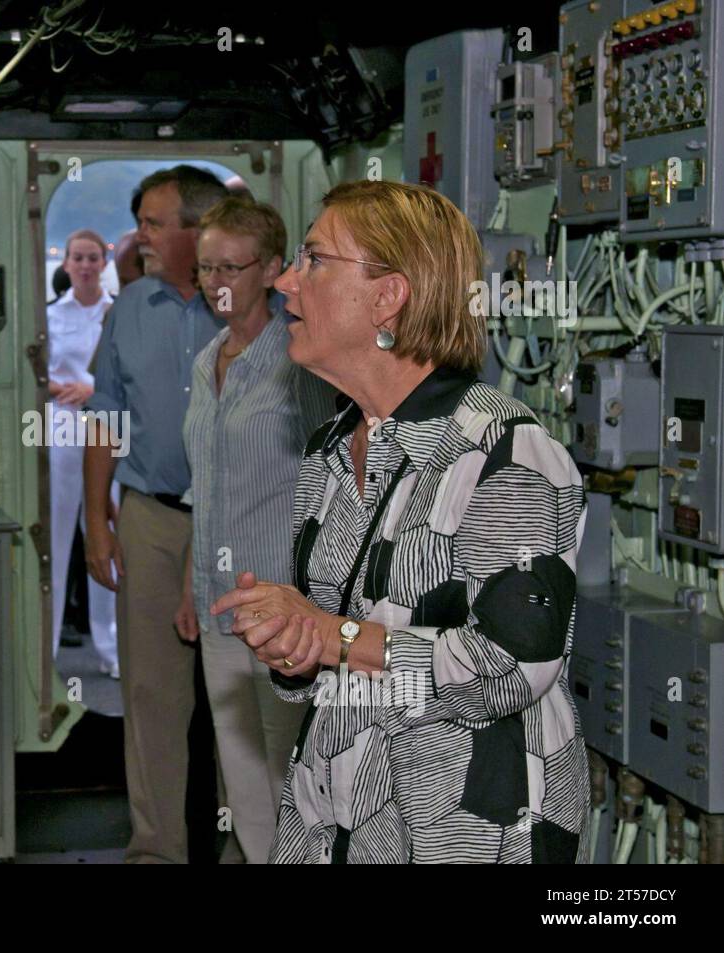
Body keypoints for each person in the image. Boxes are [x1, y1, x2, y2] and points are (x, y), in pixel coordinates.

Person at [212, 180, 590, 863]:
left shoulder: (505, 449)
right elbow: (332, 649)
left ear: (388, 295)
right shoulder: (330, 448)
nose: (289, 284)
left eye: (315, 260)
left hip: (470, 824)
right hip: (340, 812)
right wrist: (296, 646)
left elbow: (510, 666)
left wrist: (335, 634)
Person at [177, 197, 338, 863]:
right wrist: (192, 582)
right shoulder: (207, 359)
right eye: (205, 268)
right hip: (220, 607)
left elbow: (335, 479)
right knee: (243, 786)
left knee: (292, 778)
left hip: (284, 607)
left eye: (231, 268)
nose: (216, 282)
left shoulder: (299, 364)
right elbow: (206, 485)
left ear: (273, 269)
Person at [84, 164, 228, 863]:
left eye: (151, 222)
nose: (139, 235)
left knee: (242, 692)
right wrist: (96, 520)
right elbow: (105, 415)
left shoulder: (253, 305)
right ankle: (156, 851)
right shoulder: (129, 308)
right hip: (151, 516)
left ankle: (253, 846)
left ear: (195, 228)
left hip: (237, 523)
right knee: (151, 696)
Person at [47, 229, 118, 676]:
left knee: (106, 538)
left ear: (104, 261)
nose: (86, 265)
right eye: (78, 258)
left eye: (93, 257)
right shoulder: (52, 314)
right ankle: (47, 644)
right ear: (67, 263)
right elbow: (37, 367)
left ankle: (112, 649)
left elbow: (122, 371)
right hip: (57, 426)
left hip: (108, 429)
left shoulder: (117, 314)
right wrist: (63, 388)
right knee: (54, 541)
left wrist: (90, 388)